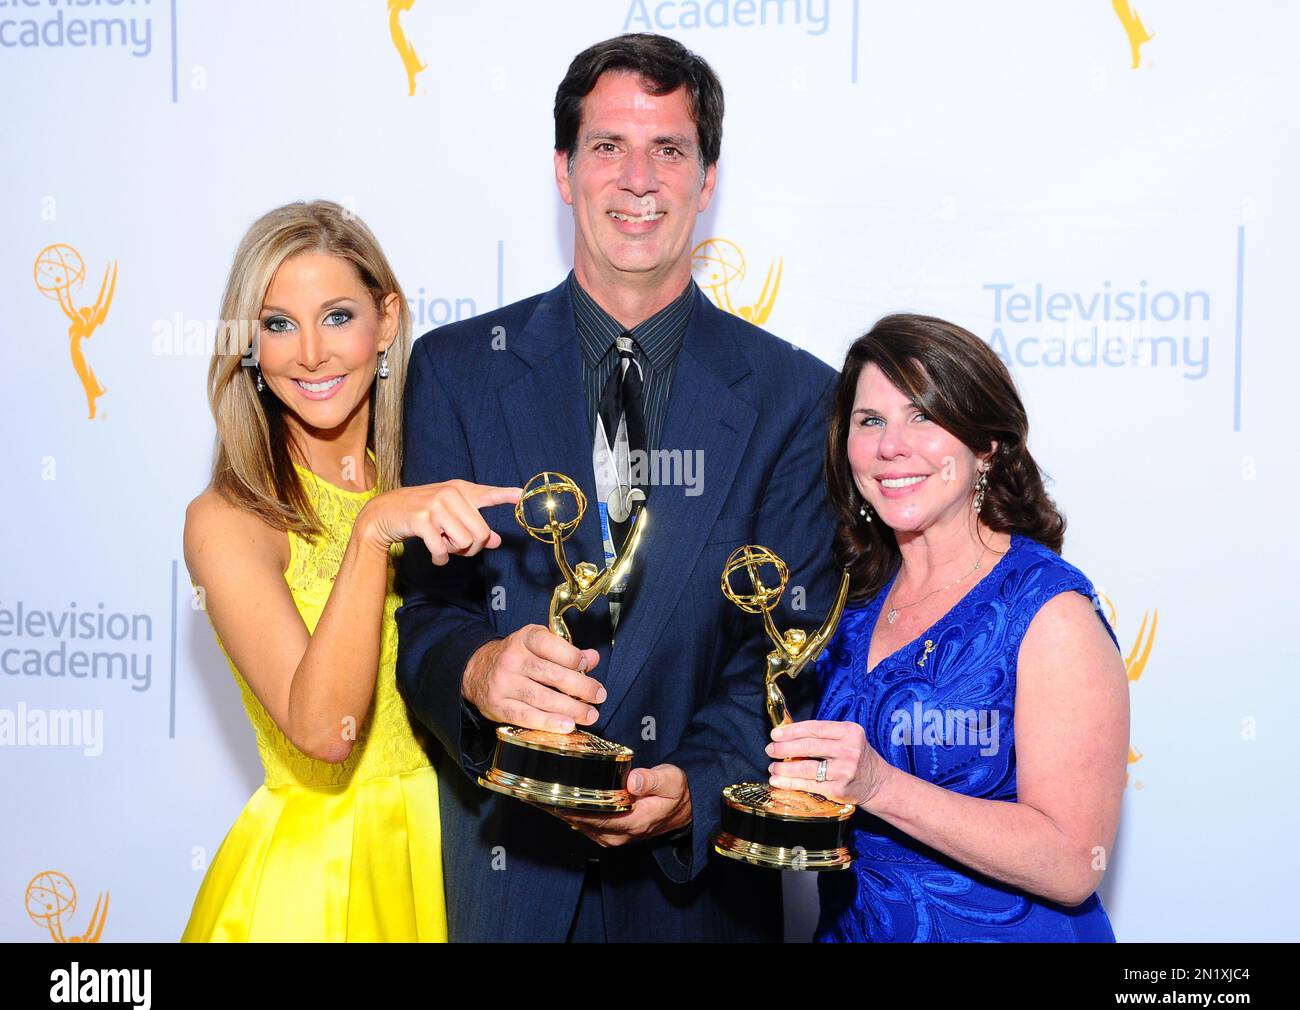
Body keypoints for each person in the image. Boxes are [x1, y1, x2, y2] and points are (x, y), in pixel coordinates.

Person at [395, 33, 840, 942]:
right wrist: (478, 671)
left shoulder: (798, 397)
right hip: (506, 885)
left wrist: (696, 793)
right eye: (608, 147)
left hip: (702, 902)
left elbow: (786, 649)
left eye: (668, 150)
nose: (638, 179)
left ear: (707, 178)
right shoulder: (455, 372)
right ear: (564, 171)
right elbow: (426, 622)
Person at [182, 200, 519, 942]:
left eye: (336, 316)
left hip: (453, 860)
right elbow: (325, 732)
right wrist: (372, 529)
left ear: (386, 322)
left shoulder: (432, 481)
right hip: (316, 886)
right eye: (277, 324)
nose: (309, 353)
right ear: (249, 346)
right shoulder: (230, 519)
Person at [765, 313, 1130, 942]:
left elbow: (1074, 864)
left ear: (986, 444)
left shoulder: (1048, 613)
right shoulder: (849, 604)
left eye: (923, 416)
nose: (891, 446)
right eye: (870, 421)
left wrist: (878, 785)